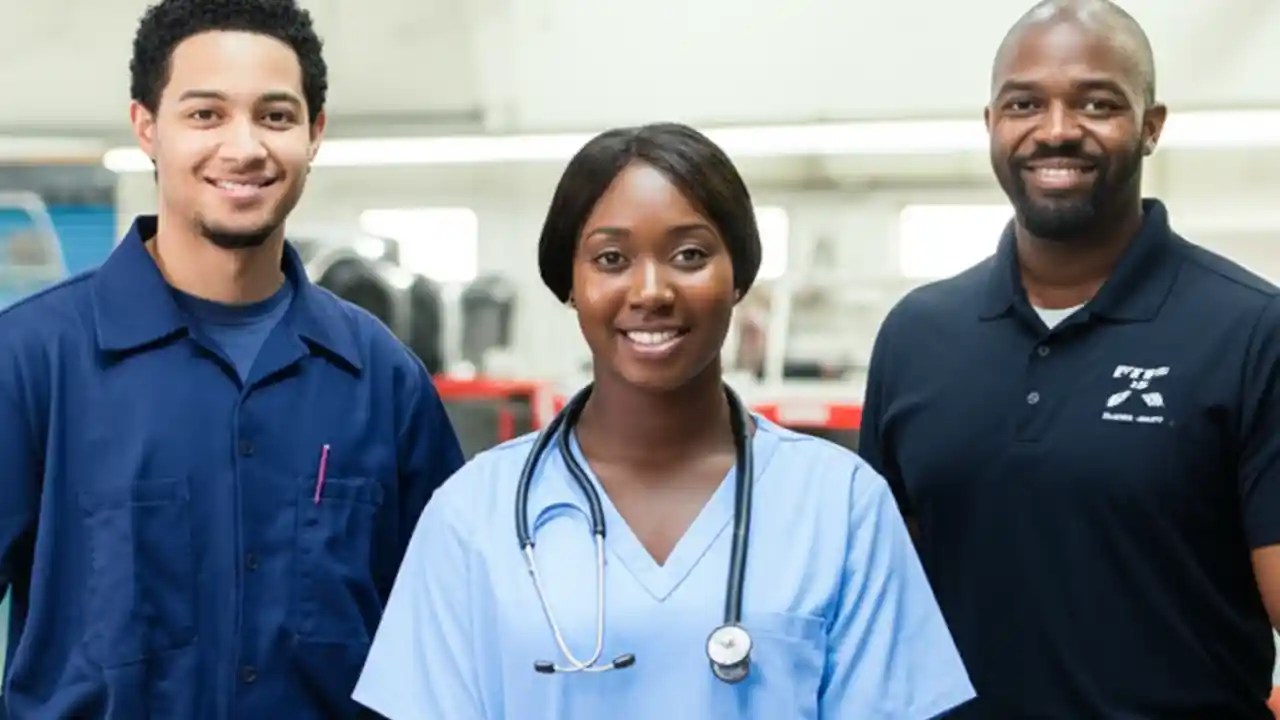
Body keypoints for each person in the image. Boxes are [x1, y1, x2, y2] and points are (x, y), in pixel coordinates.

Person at [352, 122, 975, 720]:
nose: (651, 290)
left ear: (739, 277)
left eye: (689, 254)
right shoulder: (471, 515)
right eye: (612, 258)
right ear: (568, 282)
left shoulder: (841, 505)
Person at [0, 0, 464, 717]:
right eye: (206, 114)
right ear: (147, 127)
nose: (244, 147)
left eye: (275, 117)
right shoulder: (31, 362)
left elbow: (447, 637)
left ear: (315, 134)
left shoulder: (383, 380)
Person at [859, 1, 1280, 717]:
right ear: (991, 124)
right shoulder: (916, 336)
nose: (1057, 130)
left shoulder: (1251, 330)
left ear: (1151, 126)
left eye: (1097, 103)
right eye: (1025, 103)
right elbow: (879, 593)